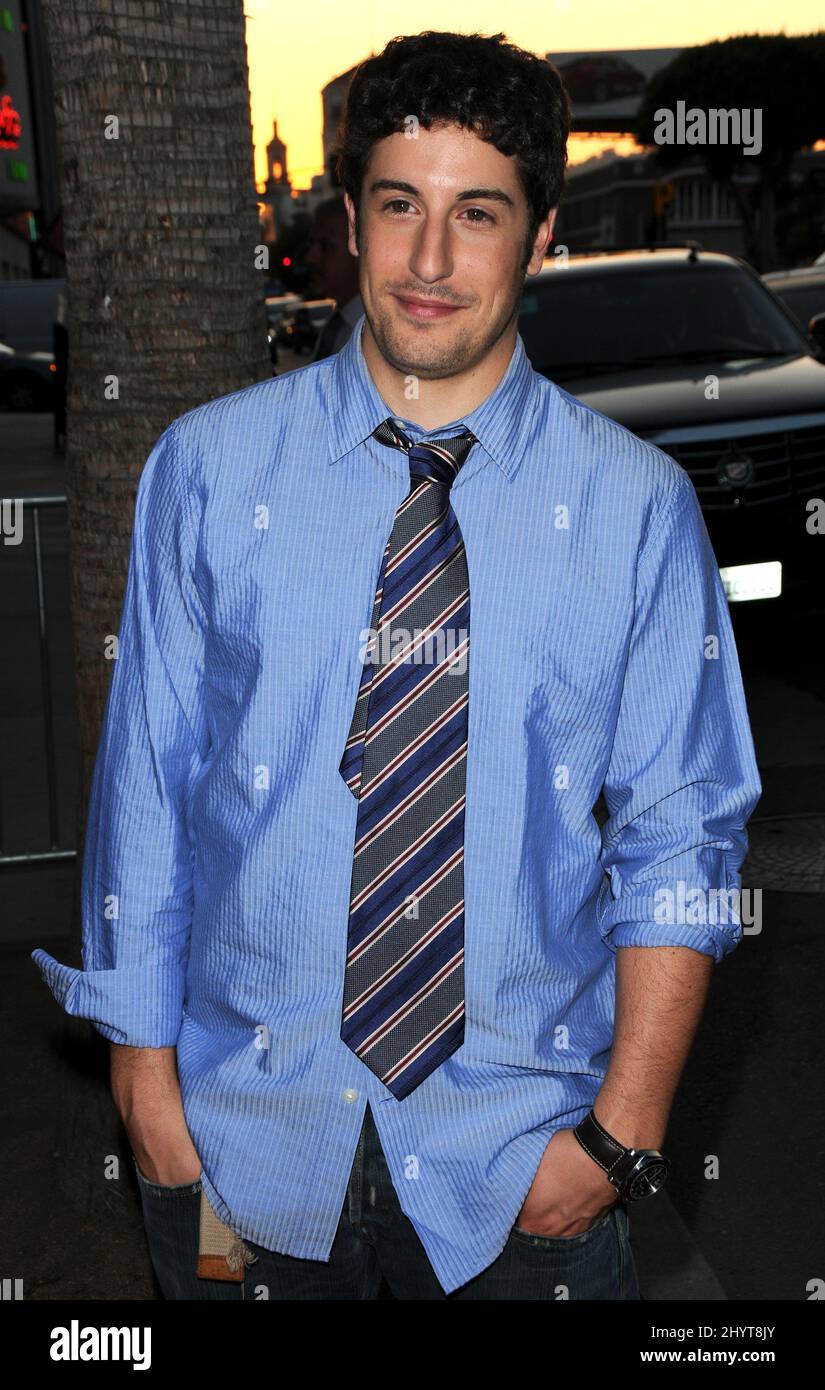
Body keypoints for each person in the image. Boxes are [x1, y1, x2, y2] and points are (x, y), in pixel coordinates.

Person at [31, 30, 762, 1301]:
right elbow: (148, 789)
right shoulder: (207, 474)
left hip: (525, 1172)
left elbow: (682, 835)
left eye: (476, 214)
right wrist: (148, 1100)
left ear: (538, 239)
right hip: (234, 1158)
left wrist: (620, 1137)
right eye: (399, 208)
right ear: (351, 223)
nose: (430, 262)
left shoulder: (636, 510)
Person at [305, 195, 363, 360]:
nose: (311, 257)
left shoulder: (372, 337)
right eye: (311, 244)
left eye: (326, 246)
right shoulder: (337, 324)